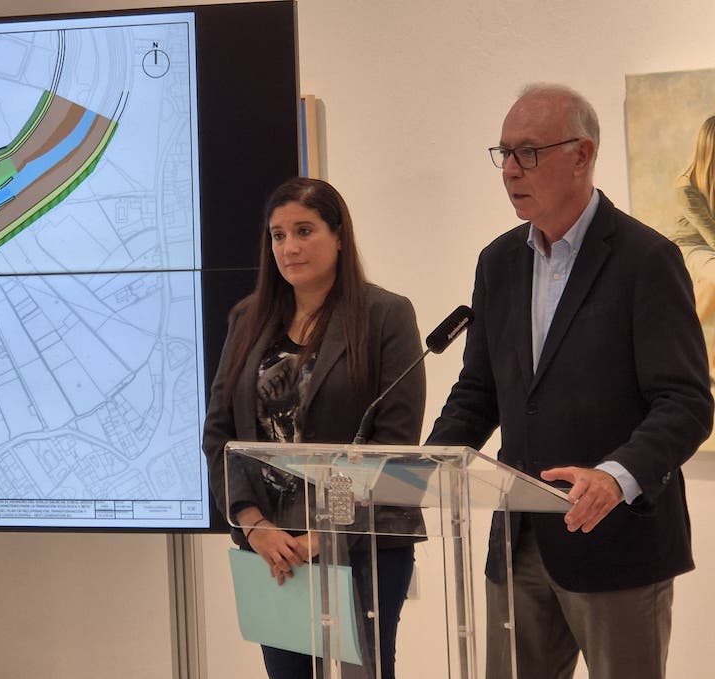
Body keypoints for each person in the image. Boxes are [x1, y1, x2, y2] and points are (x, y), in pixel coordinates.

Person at [426, 83, 714, 679]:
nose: (508, 170)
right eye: (502, 153)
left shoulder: (646, 259)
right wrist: (428, 462)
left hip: (616, 542)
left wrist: (615, 477)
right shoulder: (498, 262)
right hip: (520, 541)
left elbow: (685, 403)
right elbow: (479, 392)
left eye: (527, 152)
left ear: (581, 155)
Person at [202, 177, 426, 679]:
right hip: (271, 547)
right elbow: (220, 435)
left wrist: (322, 536)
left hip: (360, 545)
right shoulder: (246, 318)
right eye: (278, 235)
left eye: (304, 230)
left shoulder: (385, 315)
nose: (290, 247)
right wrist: (253, 524)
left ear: (340, 235)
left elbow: (390, 442)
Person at [668, 114, 715, 384]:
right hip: (690, 245)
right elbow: (709, 234)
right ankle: (680, 344)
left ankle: (708, 365)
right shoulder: (686, 186)